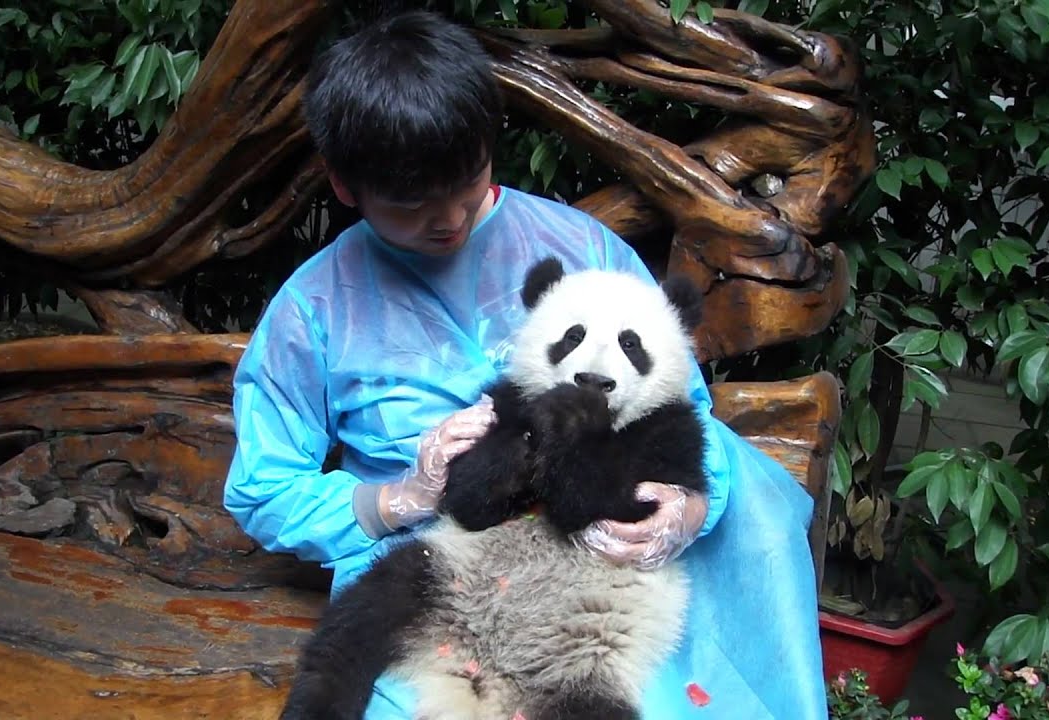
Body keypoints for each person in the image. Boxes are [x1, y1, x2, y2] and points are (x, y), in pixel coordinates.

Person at [223, 9, 827, 719]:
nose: (449, 218)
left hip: (609, 575)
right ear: (346, 186)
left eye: (469, 179)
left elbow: (681, 406)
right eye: (413, 204)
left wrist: (688, 509)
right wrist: (402, 496)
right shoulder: (313, 310)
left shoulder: (582, 249)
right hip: (443, 564)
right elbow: (263, 490)